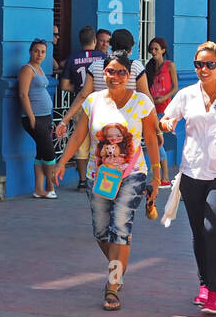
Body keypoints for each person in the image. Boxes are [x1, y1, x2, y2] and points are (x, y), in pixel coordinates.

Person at [52, 49, 160, 311]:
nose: (114, 77)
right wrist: (62, 161)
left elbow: (152, 140)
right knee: (102, 232)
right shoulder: (93, 101)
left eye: (120, 72)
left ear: (129, 76)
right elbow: (79, 136)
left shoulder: (142, 103)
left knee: (120, 227)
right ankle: (119, 263)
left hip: (132, 175)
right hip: (97, 176)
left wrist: (157, 175)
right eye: (110, 72)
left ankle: (112, 285)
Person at [160, 41, 216, 316]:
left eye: (209, 65)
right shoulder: (186, 95)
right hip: (192, 170)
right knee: (198, 231)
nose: (203, 70)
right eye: (198, 64)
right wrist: (167, 123)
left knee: (212, 229)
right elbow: (166, 118)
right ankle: (204, 284)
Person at [57, 29, 150, 185]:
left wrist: (64, 120)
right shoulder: (136, 67)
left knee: (102, 155)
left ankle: (102, 189)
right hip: (127, 122)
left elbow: (82, 95)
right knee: (124, 158)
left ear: (111, 45)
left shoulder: (96, 66)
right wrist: (154, 127)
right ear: (131, 48)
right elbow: (146, 97)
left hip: (101, 119)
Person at [57, 26, 103, 190]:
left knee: (81, 142)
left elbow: (63, 85)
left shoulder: (73, 59)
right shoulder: (102, 58)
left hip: (80, 105)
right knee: (100, 141)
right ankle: (99, 177)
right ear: (95, 41)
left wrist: (79, 89)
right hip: (100, 104)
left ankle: (83, 180)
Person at [18, 38, 58, 198]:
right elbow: (23, 94)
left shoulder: (40, 69)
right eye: (36, 51)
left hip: (45, 117)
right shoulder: (27, 69)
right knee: (49, 152)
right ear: (30, 52)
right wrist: (31, 117)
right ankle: (50, 185)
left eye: (43, 52)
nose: (39, 54)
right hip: (35, 118)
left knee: (41, 153)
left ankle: (38, 189)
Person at [146, 37, 179, 182]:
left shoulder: (169, 65)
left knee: (158, 143)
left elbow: (175, 88)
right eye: (151, 49)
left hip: (164, 109)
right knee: (155, 142)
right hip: (151, 108)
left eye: (156, 49)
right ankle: (161, 176)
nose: (153, 52)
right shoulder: (149, 67)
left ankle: (163, 176)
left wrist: (163, 98)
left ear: (163, 50)